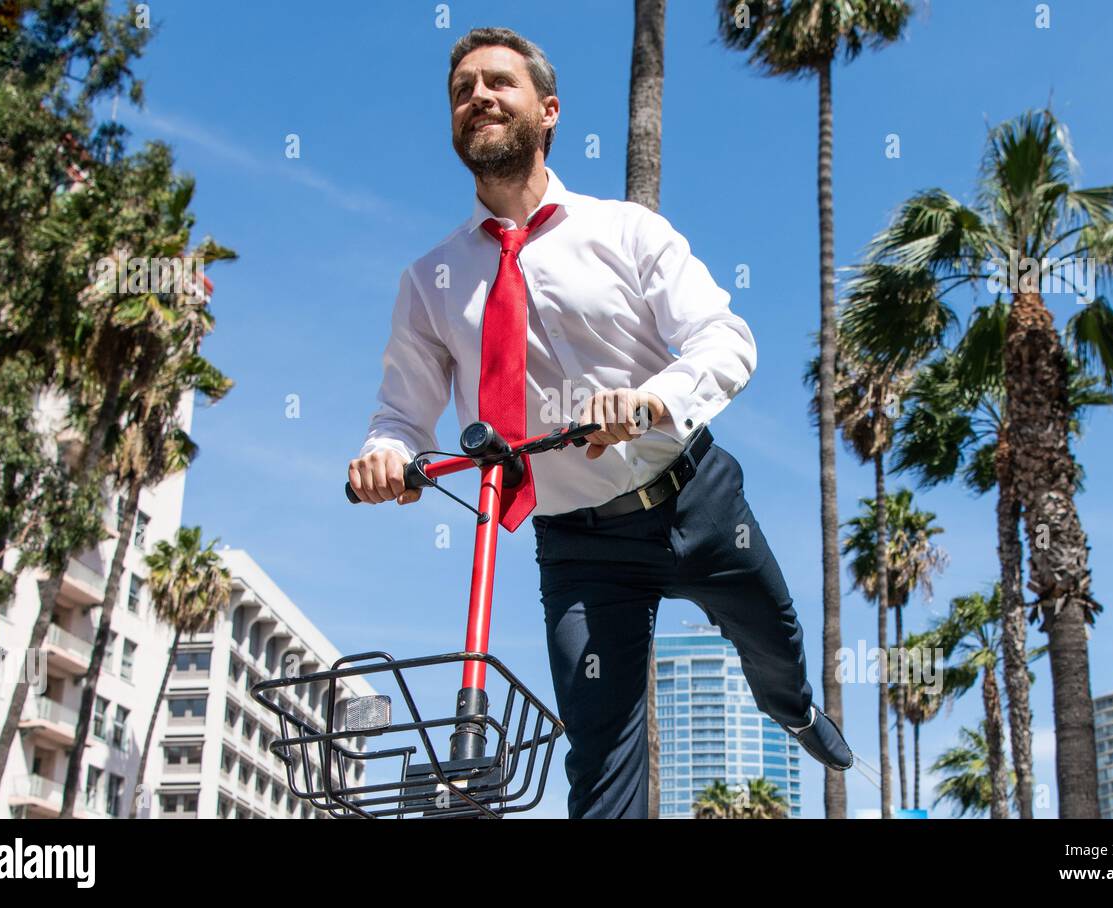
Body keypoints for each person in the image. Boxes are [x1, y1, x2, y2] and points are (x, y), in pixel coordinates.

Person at [347, 26, 852, 819]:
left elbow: (726, 340)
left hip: (695, 500)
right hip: (579, 549)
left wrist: (650, 401)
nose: (477, 96)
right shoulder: (430, 281)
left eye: (498, 83)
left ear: (548, 111)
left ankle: (791, 709)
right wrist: (385, 453)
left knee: (775, 643)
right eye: (462, 90)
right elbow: (400, 415)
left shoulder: (626, 231)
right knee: (600, 762)